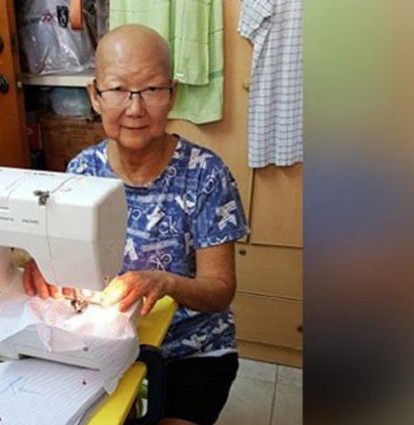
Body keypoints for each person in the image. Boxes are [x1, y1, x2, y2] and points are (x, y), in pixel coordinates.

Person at [22, 24, 248, 425]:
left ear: (172, 94)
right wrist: (46, 264)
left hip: (191, 351)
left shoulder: (207, 176)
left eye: (151, 90)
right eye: (119, 90)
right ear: (95, 95)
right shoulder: (81, 173)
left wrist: (163, 282)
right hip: (106, 346)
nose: (135, 108)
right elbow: (63, 262)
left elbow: (220, 291)